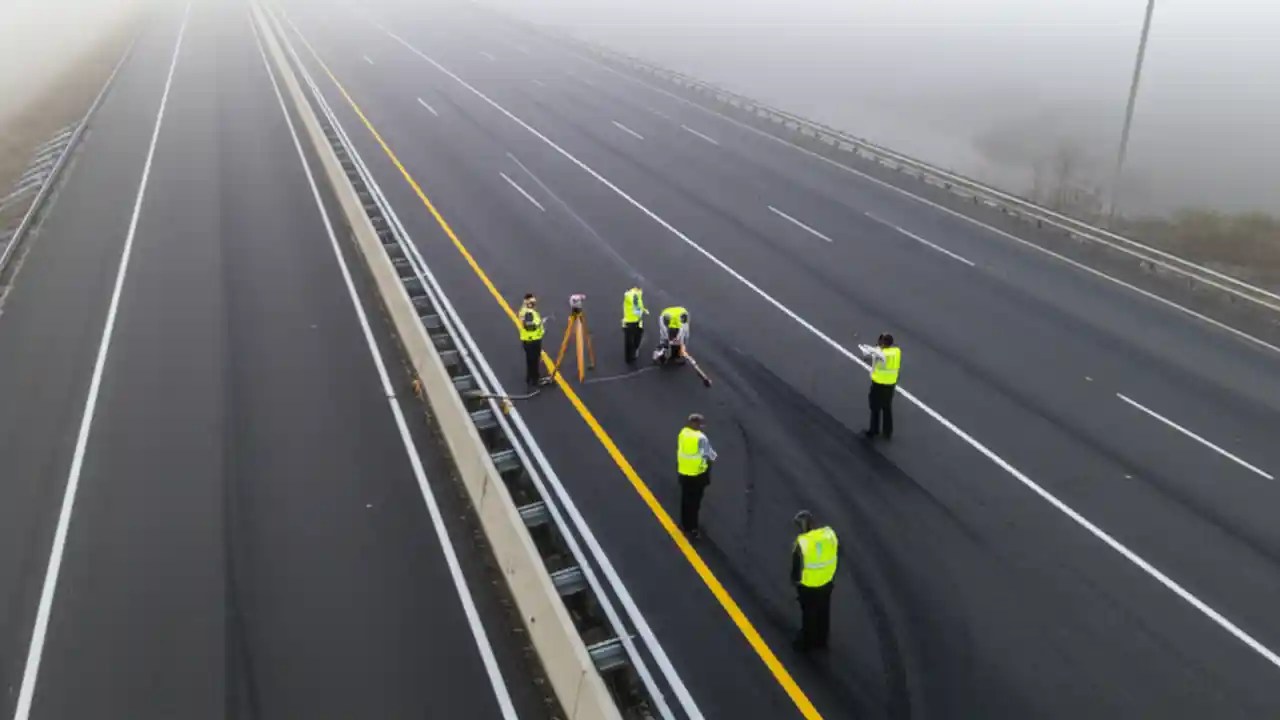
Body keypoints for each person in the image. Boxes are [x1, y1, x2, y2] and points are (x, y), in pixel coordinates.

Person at [791, 510, 837, 652]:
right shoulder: (829, 535)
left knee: (809, 613)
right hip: (826, 582)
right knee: (824, 612)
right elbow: (837, 552)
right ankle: (821, 640)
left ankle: (806, 643)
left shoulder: (802, 543)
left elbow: (796, 568)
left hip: (809, 586)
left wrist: (796, 582)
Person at [676, 413, 716, 538]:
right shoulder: (700, 438)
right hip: (698, 475)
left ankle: (684, 523)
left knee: (685, 499)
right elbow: (711, 456)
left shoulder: (683, 433)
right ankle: (692, 528)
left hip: (684, 472)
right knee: (695, 503)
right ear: (697, 424)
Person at [861, 333, 901, 440]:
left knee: (875, 407)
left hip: (879, 384)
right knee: (887, 407)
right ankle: (887, 432)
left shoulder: (880, 354)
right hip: (891, 384)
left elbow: (867, 357)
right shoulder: (896, 352)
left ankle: (874, 430)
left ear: (883, 343)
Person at [519, 293, 546, 386]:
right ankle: (535, 379)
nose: (534, 303)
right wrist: (539, 324)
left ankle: (529, 377)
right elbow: (529, 326)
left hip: (529, 340)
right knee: (534, 360)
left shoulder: (525, 311)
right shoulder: (528, 313)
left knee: (530, 360)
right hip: (532, 340)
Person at [621, 286, 647, 364]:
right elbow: (636, 307)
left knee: (631, 340)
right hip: (632, 322)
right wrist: (640, 312)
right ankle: (631, 356)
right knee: (632, 340)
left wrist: (644, 310)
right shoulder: (634, 295)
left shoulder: (634, 295)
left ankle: (630, 356)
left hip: (631, 321)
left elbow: (638, 306)